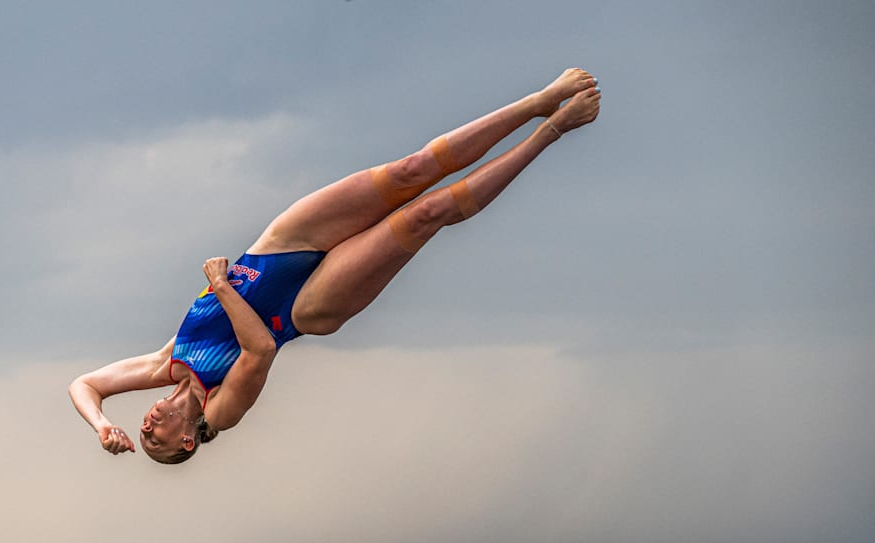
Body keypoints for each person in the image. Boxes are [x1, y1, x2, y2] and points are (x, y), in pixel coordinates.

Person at [69, 68, 601, 464]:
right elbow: (258, 350)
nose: (145, 429)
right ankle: (552, 130)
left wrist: (100, 426)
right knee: (425, 215)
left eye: (141, 433)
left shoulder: (164, 363)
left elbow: (85, 384)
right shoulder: (219, 413)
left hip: (277, 249)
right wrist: (220, 287)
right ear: (187, 440)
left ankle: (538, 101)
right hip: (305, 307)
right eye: (155, 442)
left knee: (409, 171)